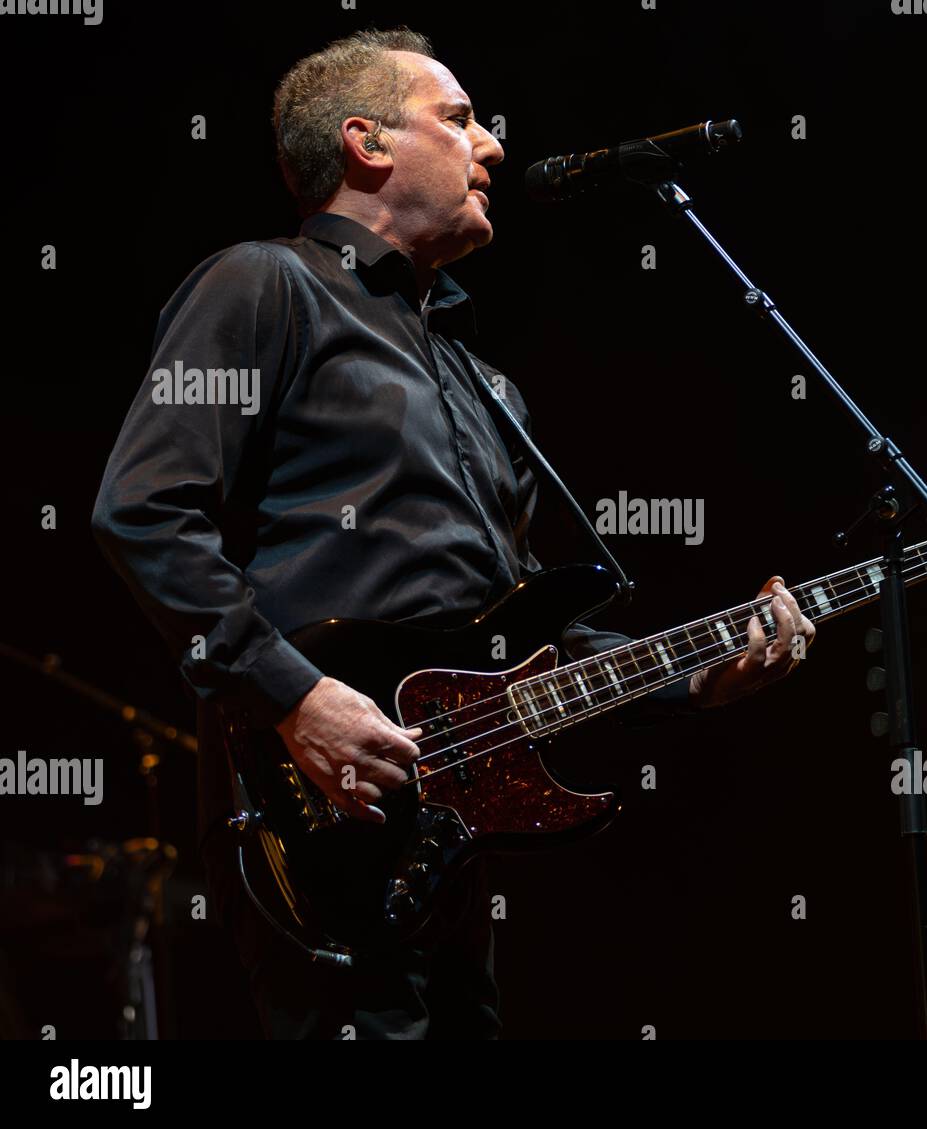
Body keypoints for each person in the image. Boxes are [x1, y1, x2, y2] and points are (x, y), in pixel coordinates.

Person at [91, 27, 815, 1039]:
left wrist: (694, 672)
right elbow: (142, 510)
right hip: (317, 804)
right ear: (366, 143)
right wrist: (295, 697)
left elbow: (520, 638)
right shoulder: (264, 284)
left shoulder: (488, 384)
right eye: (461, 120)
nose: (493, 148)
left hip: (447, 835)